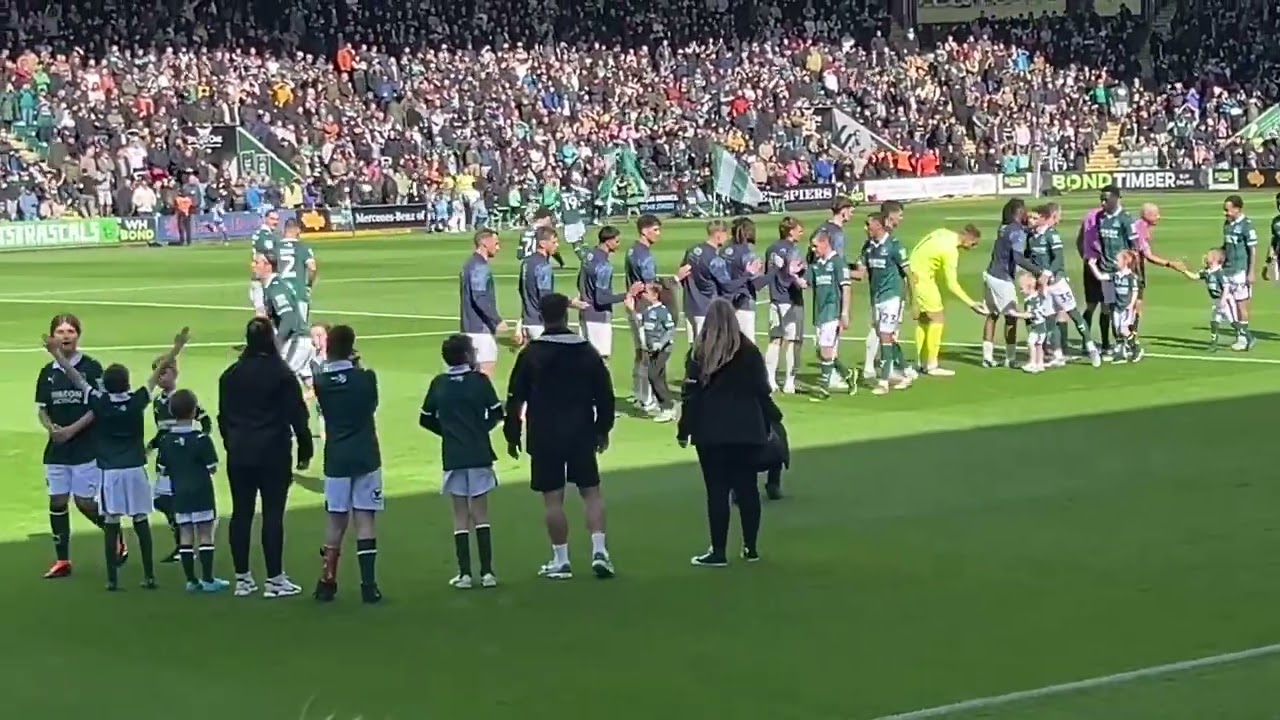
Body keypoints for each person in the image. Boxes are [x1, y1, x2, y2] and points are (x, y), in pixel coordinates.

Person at [43, 326, 189, 591]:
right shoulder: (137, 400)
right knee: (140, 521)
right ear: (128, 383)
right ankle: (149, 576)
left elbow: (76, 377)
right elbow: (156, 377)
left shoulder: (99, 401)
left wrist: (56, 354)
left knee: (111, 522)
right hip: (135, 470)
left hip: (110, 472)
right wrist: (177, 347)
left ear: (105, 385)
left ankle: (112, 579)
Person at [503, 293, 616, 580]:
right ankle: (599, 551)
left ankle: (561, 559)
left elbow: (515, 396)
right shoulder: (586, 350)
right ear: (566, 314)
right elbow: (605, 394)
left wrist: (512, 433)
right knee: (591, 491)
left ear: (541, 316)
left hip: (545, 432)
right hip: (580, 429)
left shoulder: (532, 353)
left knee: (553, 499)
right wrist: (603, 428)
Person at [677, 298, 783, 567]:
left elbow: (690, 396)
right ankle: (750, 548)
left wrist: (684, 429)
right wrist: (773, 418)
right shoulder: (749, 352)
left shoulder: (700, 353)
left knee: (716, 491)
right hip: (747, 430)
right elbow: (763, 390)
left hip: (710, 431)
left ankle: (719, 551)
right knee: (747, 489)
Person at [217, 317, 314, 599]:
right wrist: (305, 449)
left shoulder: (231, 374)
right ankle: (274, 578)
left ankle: (243, 579)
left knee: (241, 513)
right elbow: (298, 414)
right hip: (273, 451)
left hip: (240, 452)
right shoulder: (281, 374)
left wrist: (230, 443)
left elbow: (223, 417)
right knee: (273, 513)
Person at [36, 313, 124, 579]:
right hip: (57, 448)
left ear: (78, 335)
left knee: (85, 502)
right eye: (60, 331)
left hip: (86, 446)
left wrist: (72, 430)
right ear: (53, 336)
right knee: (57, 500)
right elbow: (42, 408)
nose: (65, 336)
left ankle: (115, 534)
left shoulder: (92, 367)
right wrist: (51, 428)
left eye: (70, 331)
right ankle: (62, 560)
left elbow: (97, 407)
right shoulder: (47, 373)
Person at [420, 334, 505, 590]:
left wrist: (447, 431)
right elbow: (497, 412)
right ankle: (488, 573)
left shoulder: (439, 383)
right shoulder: (479, 381)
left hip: (453, 456)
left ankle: (465, 574)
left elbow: (425, 418)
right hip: (479, 453)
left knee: (460, 515)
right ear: (468, 355)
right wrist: (480, 429)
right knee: (481, 513)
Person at [313, 325, 384, 604]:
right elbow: (372, 405)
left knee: (335, 520)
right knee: (365, 519)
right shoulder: (366, 379)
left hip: (337, 457)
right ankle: (369, 585)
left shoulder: (321, 382)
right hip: (366, 454)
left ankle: (327, 582)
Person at [156, 388, 230, 593]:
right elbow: (212, 467)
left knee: (186, 534)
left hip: (179, 492)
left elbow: (162, 469)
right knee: (205, 533)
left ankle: (191, 581)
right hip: (201, 491)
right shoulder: (201, 439)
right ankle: (208, 579)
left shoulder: (166, 441)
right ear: (194, 411)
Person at [148, 355, 212, 564]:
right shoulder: (158, 402)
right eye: (157, 373)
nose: (160, 378)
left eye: (164, 372)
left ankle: (183, 545)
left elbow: (205, 419)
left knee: (168, 499)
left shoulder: (183, 398)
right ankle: (182, 540)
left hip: (180, 456)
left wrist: (200, 439)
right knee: (161, 500)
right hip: (165, 455)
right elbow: (161, 431)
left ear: (175, 373)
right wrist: (151, 446)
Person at [907, 225, 987, 376]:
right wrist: (972, 303)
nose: (973, 247)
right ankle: (931, 365)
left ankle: (921, 361)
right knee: (938, 317)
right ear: (967, 238)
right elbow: (952, 284)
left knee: (924, 319)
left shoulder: (942, 232)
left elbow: (920, 246)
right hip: (922, 279)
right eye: (973, 243)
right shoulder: (950, 251)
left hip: (913, 274)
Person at [1027, 206, 1100, 368]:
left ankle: (1090, 346)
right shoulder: (1031, 238)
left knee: (1073, 313)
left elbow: (1058, 259)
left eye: (1034, 218)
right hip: (1043, 287)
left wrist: (1047, 273)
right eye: (1029, 218)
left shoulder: (1051, 235)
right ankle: (1058, 354)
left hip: (1058, 283)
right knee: (1050, 318)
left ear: (1044, 218)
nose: (1030, 220)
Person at [852, 213, 912, 396]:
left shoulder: (894, 246)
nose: (865, 228)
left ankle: (884, 382)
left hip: (892, 297)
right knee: (886, 336)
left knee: (885, 336)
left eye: (868, 224)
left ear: (878, 225)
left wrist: (914, 302)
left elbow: (910, 274)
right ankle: (905, 373)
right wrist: (838, 270)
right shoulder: (868, 247)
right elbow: (860, 274)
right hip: (876, 298)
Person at [981, 199, 1044, 368]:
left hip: (989, 274)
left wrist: (1028, 230)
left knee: (992, 314)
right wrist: (1038, 271)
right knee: (1011, 316)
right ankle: (1010, 358)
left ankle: (987, 357)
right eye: (1024, 211)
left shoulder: (1004, 227)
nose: (1027, 214)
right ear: (1019, 212)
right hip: (1002, 278)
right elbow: (1017, 257)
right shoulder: (1016, 232)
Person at [681, 220, 762, 342]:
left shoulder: (692, 250)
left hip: (690, 307)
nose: (728, 237)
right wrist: (748, 274)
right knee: (707, 351)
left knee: (693, 350)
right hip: (707, 310)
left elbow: (683, 274)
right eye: (726, 234)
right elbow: (728, 287)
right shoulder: (715, 259)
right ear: (719, 235)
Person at [1088, 187, 1139, 362]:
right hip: (1107, 270)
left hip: (1122, 272)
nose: (1102, 203)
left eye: (1106, 199)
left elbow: (1134, 247)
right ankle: (1107, 344)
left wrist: (1134, 270)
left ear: (1116, 199)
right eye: (1101, 199)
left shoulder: (1125, 219)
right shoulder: (1100, 218)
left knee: (1125, 308)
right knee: (1108, 308)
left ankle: (1128, 344)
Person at [577, 225, 639, 361]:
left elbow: (579, 282)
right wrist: (628, 294)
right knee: (600, 361)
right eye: (616, 241)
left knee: (584, 360)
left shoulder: (588, 256)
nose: (618, 244)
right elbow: (601, 299)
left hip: (584, 313)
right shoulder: (604, 265)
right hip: (598, 318)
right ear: (608, 241)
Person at [252, 251, 314, 380]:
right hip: (298, 340)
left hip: (296, 339)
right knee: (309, 384)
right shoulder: (272, 286)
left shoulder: (276, 288)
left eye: (257, 262)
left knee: (278, 379)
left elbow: (288, 318)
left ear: (268, 266)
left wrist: (276, 343)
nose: (253, 265)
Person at [809, 230, 856, 397]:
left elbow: (846, 288)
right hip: (819, 314)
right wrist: (791, 273)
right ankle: (847, 374)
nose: (813, 249)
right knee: (822, 351)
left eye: (815, 246)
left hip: (832, 311)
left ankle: (824, 387)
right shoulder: (816, 264)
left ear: (825, 243)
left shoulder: (837, 263)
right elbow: (805, 283)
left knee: (825, 349)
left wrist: (844, 313)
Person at [763, 217, 807, 393]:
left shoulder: (771, 249)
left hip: (775, 298)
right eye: (799, 230)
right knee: (792, 341)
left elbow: (769, 273)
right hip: (791, 300)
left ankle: (770, 379)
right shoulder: (793, 251)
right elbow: (797, 276)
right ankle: (789, 381)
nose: (801, 233)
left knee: (774, 340)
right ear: (790, 231)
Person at [625, 280, 679, 422]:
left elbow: (670, 330)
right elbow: (640, 323)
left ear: (655, 295)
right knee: (658, 376)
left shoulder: (662, 311)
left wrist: (660, 344)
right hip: (651, 350)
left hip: (662, 350)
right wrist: (631, 309)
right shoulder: (648, 311)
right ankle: (667, 407)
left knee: (653, 375)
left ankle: (667, 406)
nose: (643, 295)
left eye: (646, 292)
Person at [460, 229, 508, 377]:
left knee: (472, 375)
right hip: (480, 329)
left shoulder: (469, 264)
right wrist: (496, 319)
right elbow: (479, 296)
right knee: (485, 373)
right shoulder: (479, 267)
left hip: (470, 327)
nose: (498, 248)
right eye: (496, 243)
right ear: (485, 243)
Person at [1091, 249, 1144, 363]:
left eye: (1117, 260)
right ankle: (1121, 353)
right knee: (1117, 329)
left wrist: (1131, 305)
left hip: (1126, 307)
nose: (1115, 262)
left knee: (1124, 329)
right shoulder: (1115, 275)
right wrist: (1092, 265)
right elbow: (1100, 277)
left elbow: (1135, 292)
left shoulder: (1131, 277)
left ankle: (1136, 348)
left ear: (1125, 262)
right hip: (1116, 307)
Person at [1220, 195, 1258, 351]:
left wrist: (1251, 272)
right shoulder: (1227, 225)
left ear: (1237, 208)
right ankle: (1245, 336)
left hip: (1240, 271)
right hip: (1227, 270)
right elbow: (1226, 246)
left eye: (1227, 210)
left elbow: (1252, 250)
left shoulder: (1247, 226)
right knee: (1228, 306)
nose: (1225, 213)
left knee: (1241, 305)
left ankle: (1243, 339)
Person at [1179, 248, 1234, 351]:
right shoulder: (1207, 272)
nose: (1205, 257)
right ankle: (1214, 343)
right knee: (1214, 321)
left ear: (1215, 259)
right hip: (1216, 301)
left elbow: (1226, 287)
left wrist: (1223, 300)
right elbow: (1195, 277)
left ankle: (1246, 337)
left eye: (1208, 256)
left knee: (1233, 321)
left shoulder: (1219, 273)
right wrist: (1184, 271)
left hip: (1225, 301)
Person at [517, 226, 562, 343]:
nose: (557, 245)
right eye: (554, 242)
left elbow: (522, 290)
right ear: (542, 243)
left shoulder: (526, 263)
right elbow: (546, 299)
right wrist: (568, 303)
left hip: (528, 321)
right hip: (539, 322)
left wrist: (520, 322)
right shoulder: (543, 266)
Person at [277, 218, 317, 321]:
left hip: (279, 296)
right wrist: (308, 286)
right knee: (301, 331)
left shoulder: (276, 247)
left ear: (284, 230)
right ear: (297, 230)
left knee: (280, 331)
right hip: (299, 294)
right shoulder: (303, 248)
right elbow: (312, 268)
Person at [1014, 272, 1049, 374]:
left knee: (1031, 343)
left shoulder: (1030, 301)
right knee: (1039, 345)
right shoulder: (1039, 296)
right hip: (1043, 326)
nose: (1020, 291)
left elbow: (1029, 315)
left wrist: (1015, 314)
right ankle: (1040, 363)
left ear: (1029, 287)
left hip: (1036, 327)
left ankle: (1032, 363)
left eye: (1022, 288)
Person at [248, 210, 281, 316]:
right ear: (265, 219)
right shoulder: (265, 235)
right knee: (266, 312)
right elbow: (270, 256)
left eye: (277, 219)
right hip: (265, 278)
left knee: (261, 311)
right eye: (272, 219)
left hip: (258, 276)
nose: (275, 222)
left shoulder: (261, 234)